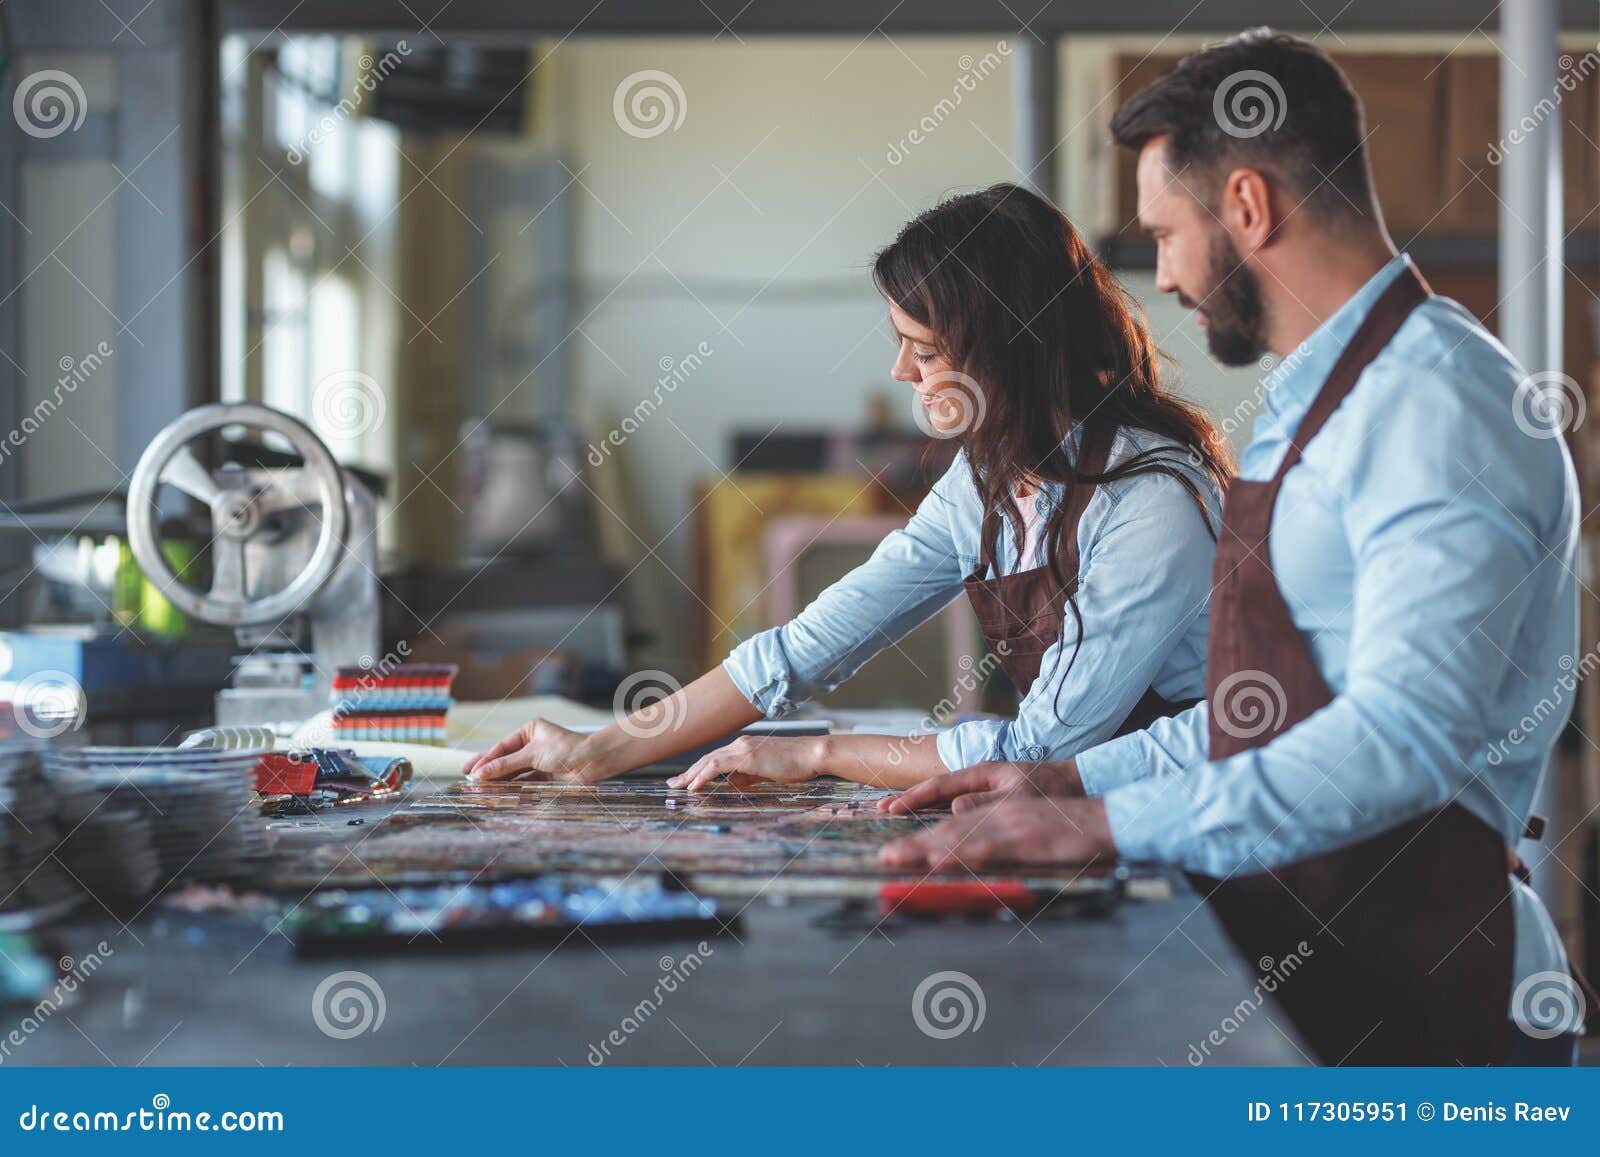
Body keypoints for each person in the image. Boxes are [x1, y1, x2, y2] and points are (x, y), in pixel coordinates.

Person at [881, 30, 1594, 1066]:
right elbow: (1255, 715)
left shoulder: (1430, 406)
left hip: (1437, 989)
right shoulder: (1313, 405)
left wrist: (1109, 827)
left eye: (1166, 232)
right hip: (1328, 956)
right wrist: (1071, 782)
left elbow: (1400, 740)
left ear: (1248, 208)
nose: (1161, 274)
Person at [464, 183, 1229, 793]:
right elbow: (802, 650)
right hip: (1093, 817)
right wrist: (598, 750)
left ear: (1006, 352)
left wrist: (820, 752)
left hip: (1208, 844)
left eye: (922, 349)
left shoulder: (1150, 501)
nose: (901, 372)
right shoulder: (985, 482)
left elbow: (1038, 751)